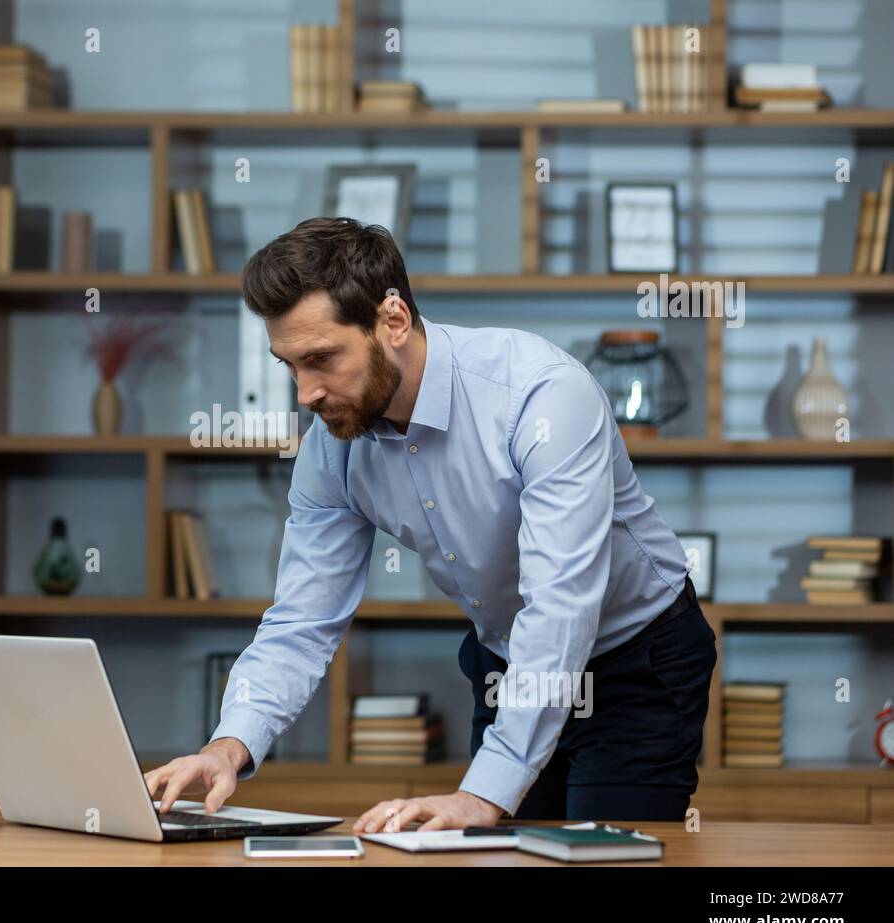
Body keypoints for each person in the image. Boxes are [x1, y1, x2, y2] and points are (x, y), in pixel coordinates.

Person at [144, 216, 716, 831]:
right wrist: (228, 745)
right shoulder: (332, 445)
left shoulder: (541, 397)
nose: (305, 393)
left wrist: (481, 796)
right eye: (290, 366)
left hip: (637, 658)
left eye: (322, 359)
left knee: (597, 858)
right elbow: (303, 618)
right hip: (506, 664)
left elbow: (561, 607)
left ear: (392, 320)